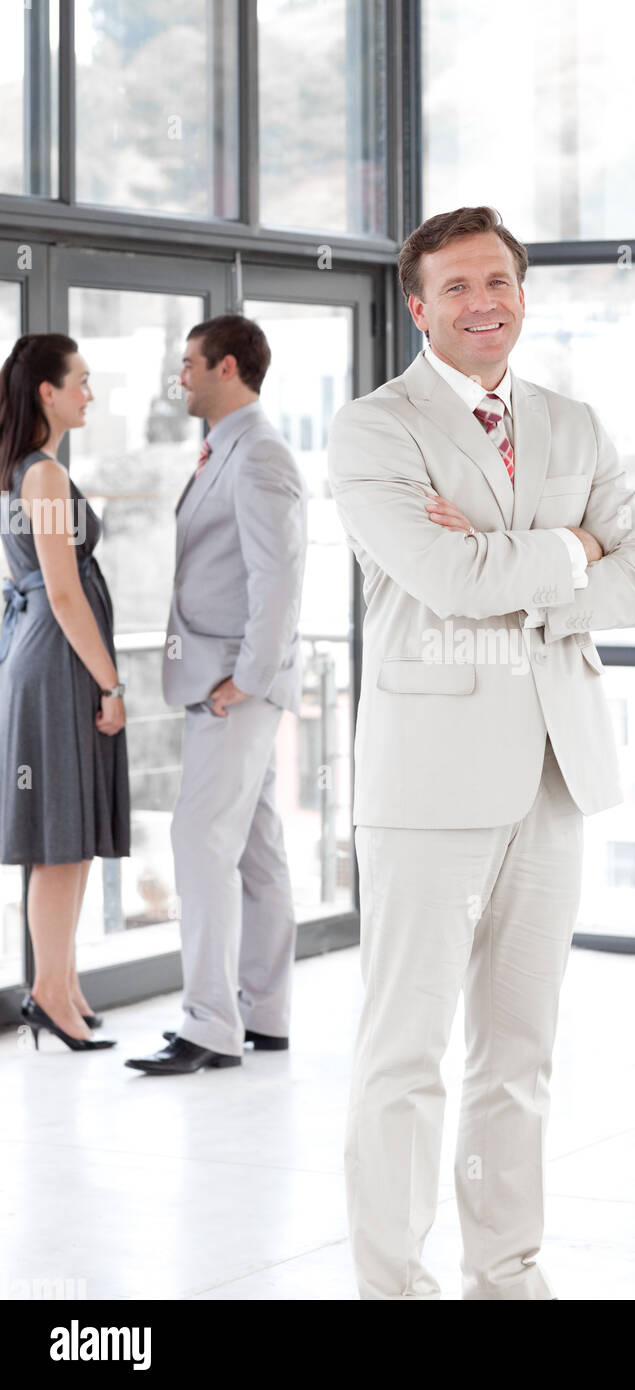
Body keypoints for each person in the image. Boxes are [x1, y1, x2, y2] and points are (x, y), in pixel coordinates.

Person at [328, 205, 635, 1300]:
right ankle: (394, 1285)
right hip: (427, 783)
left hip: (554, 776)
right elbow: (448, 582)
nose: (484, 303)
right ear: (418, 307)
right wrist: (572, 548)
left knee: (518, 1056)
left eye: (500, 282)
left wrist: (520, 559)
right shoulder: (375, 430)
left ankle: (508, 1275)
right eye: (458, 287)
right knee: (404, 1058)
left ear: (524, 294)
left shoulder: (573, 423)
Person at [126, 316, 307, 1076]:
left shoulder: (259, 453)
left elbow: (280, 576)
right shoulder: (227, 448)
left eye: (189, 364)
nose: (181, 377)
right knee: (257, 851)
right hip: (227, 681)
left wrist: (249, 678)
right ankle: (263, 1013)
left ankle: (209, 1026)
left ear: (226, 367)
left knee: (198, 843)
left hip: (234, 688)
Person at [0, 334, 128, 1052]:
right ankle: (49, 993)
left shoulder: (22, 470)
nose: (89, 393)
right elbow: (62, 591)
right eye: (80, 380)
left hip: (41, 654)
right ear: (46, 391)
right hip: (57, 660)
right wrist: (112, 681)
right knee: (59, 838)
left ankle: (63, 984)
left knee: (68, 834)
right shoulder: (42, 476)